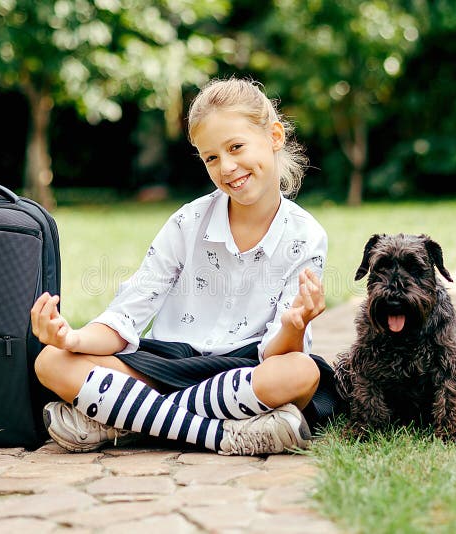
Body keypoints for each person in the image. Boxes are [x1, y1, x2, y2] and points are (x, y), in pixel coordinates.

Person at [31, 76, 340, 456]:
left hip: (242, 371)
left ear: (275, 136)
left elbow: (278, 353)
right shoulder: (187, 222)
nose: (227, 167)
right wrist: (71, 339)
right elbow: (127, 315)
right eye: (211, 157)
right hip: (167, 365)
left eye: (236, 147)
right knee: (51, 361)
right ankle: (221, 435)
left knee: (300, 373)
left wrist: (295, 324)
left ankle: (126, 419)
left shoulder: (306, 235)